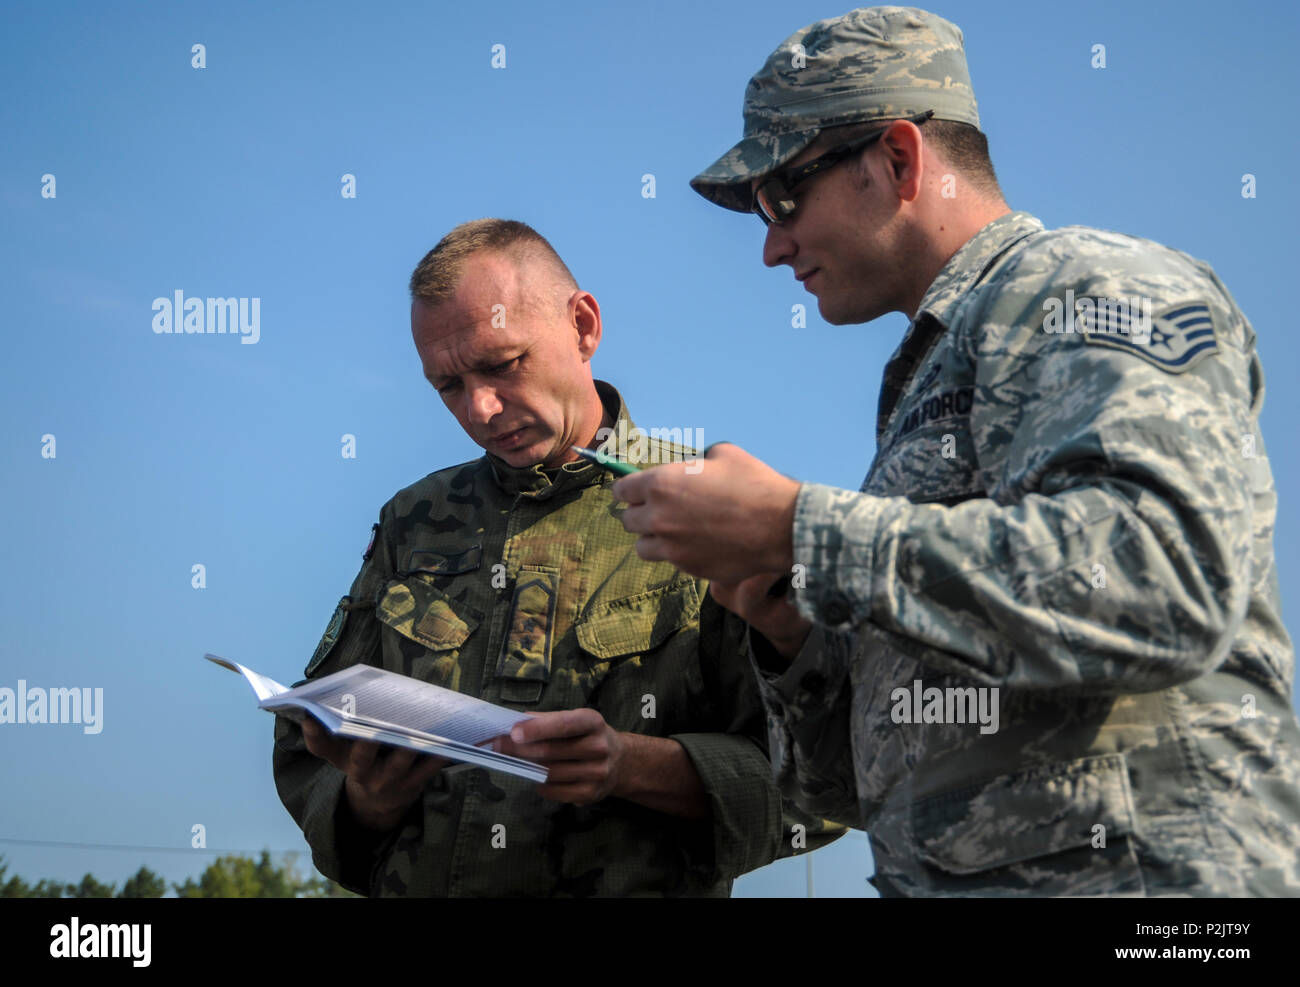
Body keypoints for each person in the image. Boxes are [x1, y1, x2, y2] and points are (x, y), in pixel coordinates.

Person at [614, 6, 1300, 896]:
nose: (773, 245)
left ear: (898, 159)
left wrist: (801, 529)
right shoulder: (927, 378)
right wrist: (788, 622)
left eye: (783, 197)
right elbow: (868, 787)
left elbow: (1167, 581)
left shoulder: (1094, 285)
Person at [272, 218, 837, 897]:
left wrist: (630, 765)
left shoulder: (710, 503)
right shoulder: (414, 521)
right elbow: (308, 756)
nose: (480, 408)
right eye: (447, 385)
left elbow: (822, 781)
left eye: (502, 364)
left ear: (584, 326)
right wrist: (370, 798)